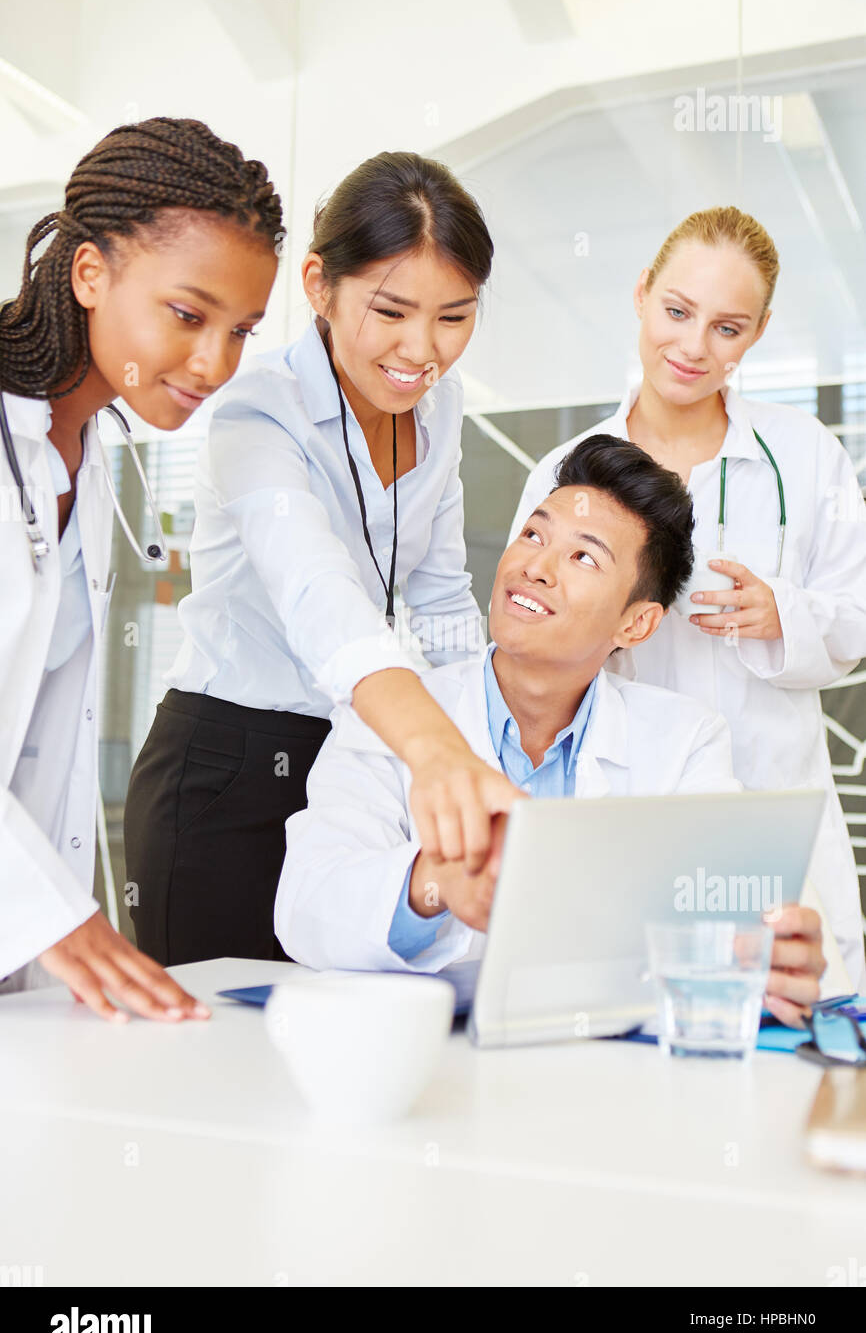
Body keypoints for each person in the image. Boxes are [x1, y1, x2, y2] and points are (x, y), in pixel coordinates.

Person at [276, 435, 829, 1028]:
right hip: (421, 1067)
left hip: (598, 1079)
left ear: (636, 623)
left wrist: (763, 951)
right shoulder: (393, 711)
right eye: (534, 535)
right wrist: (433, 886)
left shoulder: (685, 741)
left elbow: (717, 914)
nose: (534, 568)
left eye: (584, 557)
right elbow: (305, 907)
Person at [124, 151, 520, 967]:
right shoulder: (256, 408)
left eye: (454, 315)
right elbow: (317, 590)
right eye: (392, 311)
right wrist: (434, 746)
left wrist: (489, 737)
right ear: (318, 286)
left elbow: (443, 598)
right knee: (221, 1065)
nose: (423, 349)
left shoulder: (438, 414)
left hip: (355, 765)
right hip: (223, 767)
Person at [509, 207, 866, 992]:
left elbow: (856, 618)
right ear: (642, 295)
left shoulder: (806, 456)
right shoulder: (567, 470)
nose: (694, 347)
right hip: (629, 818)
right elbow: (526, 632)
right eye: (677, 311)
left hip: (775, 817)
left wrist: (787, 615)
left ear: (761, 331)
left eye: (728, 328)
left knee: (805, 1066)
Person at [0, 116, 283, 1021]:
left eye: (240, 330)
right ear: (91, 272)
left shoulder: (89, 452)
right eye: (188, 315)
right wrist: (54, 917)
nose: (214, 364)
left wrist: (59, 935)